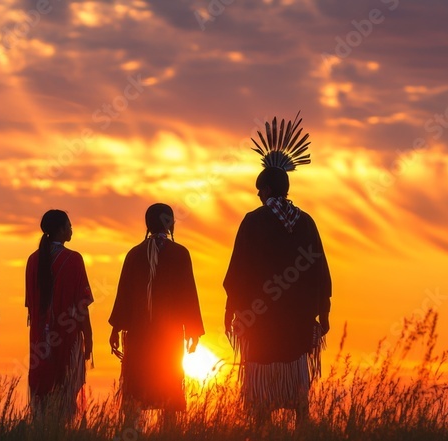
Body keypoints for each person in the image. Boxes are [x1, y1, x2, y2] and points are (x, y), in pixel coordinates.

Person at [223, 113, 332, 424]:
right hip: (296, 323)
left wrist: (231, 310)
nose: (258, 194)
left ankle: (261, 430)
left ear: (268, 188)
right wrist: (322, 312)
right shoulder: (306, 223)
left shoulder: (253, 221)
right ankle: (301, 429)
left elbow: (238, 273)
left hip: (260, 323)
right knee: (299, 398)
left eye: (260, 189)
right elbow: (320, 272)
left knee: (259, 402)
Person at [109, 203, 205, 425]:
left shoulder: (134, 254)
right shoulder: (180, 253)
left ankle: (132, 430)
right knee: (169, 382)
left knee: (136, 384)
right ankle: (168, 432)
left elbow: (124, 295)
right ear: (170, 223)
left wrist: (115, 329)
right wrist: (193, 331)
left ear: (148, 224)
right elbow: (188, 293)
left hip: (139, 335)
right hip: (169, 336)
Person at [24, 209, 94, 420]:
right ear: (61, 230)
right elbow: (82, 305)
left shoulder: (33, 260)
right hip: (67, 337)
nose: (72, 229)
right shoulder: (73, 259)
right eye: (69, 225)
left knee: (43, 394)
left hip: (40, 340)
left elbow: (31, 306)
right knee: (65, 391)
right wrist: (89, 337)